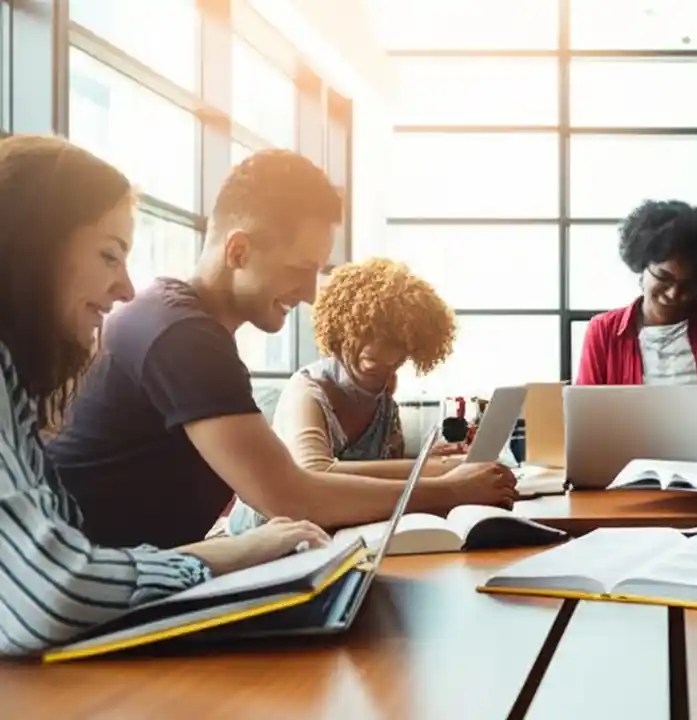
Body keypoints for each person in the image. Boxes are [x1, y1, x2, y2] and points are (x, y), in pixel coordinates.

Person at [48, 150, 516, 549]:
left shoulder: (186, 325)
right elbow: (291, 496)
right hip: (95, 616)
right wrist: (448, 490)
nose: (312, 292)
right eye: (301, 268)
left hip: (136, 589)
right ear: (238, 252)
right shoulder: (179, 333)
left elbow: (288, 480)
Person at [0, 135, 327, 656]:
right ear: (29, 250)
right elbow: (52, 591)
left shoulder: (16, 388)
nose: (125, 288)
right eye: (109, 255)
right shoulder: (179, 332)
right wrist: (222, 557)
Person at [225, 258, 468, 533]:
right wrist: (438, 470)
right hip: (263, 542)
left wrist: (428, 460)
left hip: (333, 537)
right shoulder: (307, 390)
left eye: (395, 340)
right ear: (341, 329)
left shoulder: (385, 401)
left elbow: (383, 489)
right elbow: (315, 472)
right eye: (366, 332)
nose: (377, 349)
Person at [576, 199, 697, 442]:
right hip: (623, 468)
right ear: (642, 267)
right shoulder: (604, 330)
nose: (673, 293)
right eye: (663, 277)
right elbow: (586, 419)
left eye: (688, 284)